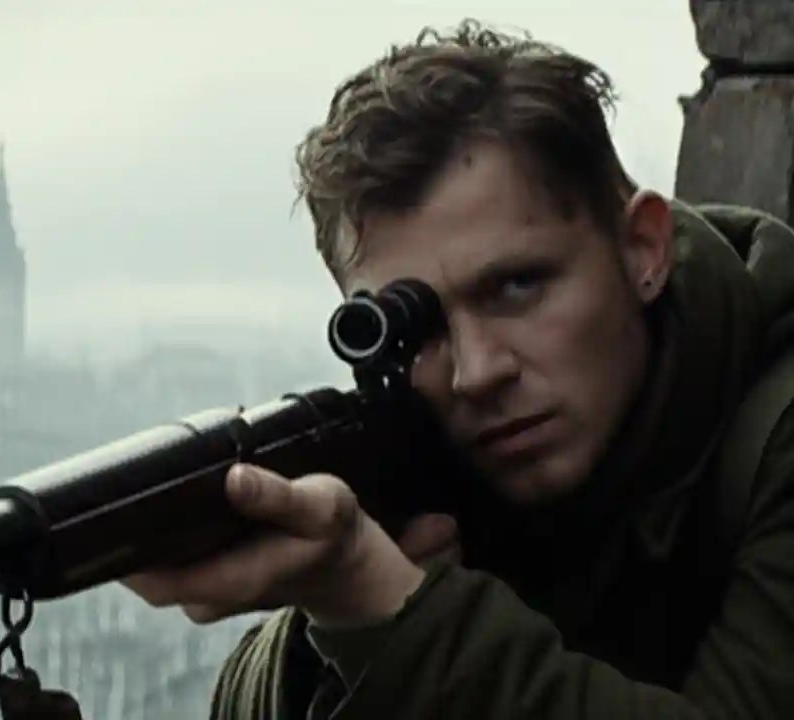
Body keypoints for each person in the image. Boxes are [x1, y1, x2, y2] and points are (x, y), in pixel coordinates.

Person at [122, 19, 794, 719]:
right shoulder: (441, 451)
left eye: (517, 286)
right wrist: (327, 614)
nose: (474, 373)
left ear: (643, 249)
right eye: (414, 325)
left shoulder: (772, 433)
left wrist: (387, 606)